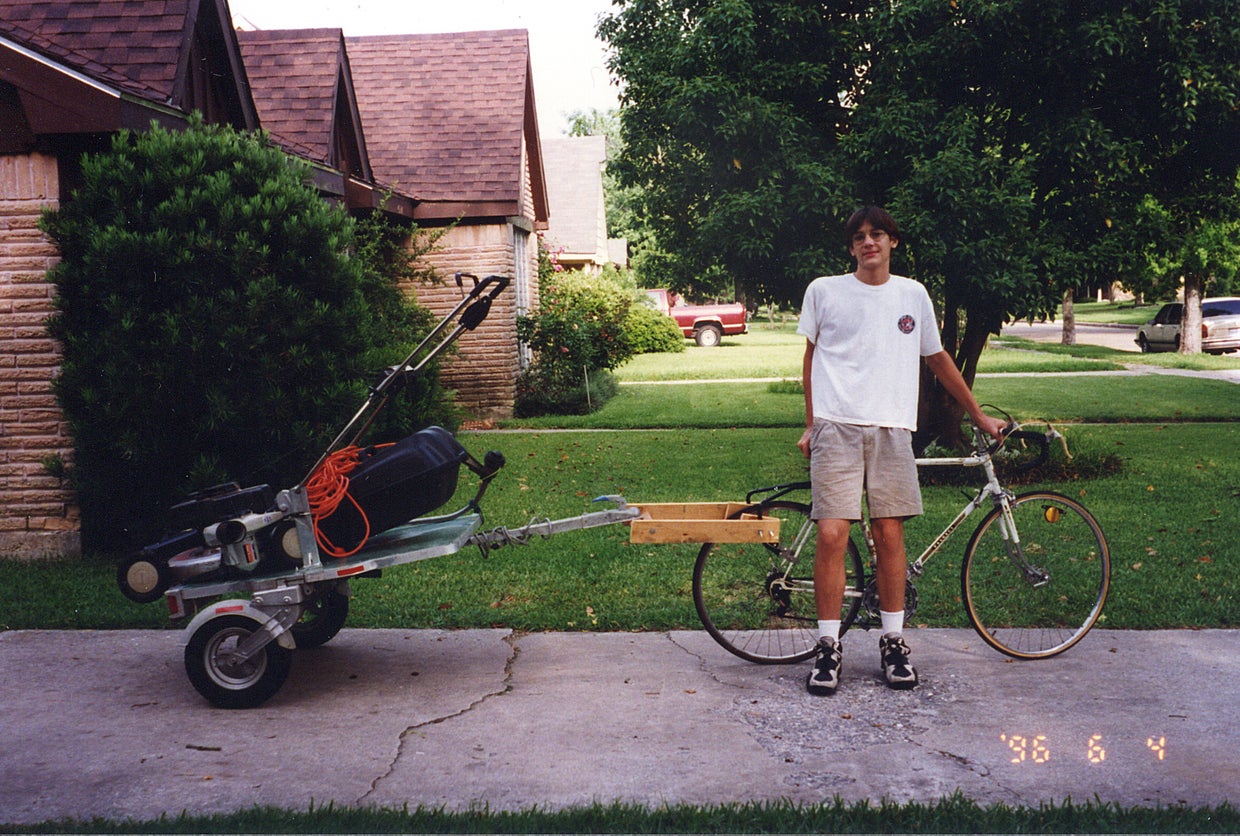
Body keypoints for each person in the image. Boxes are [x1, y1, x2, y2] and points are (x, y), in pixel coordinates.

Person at [796, 206, 1006, 695]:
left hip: (893, 429)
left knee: (890, 534)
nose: (869, 242)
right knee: (832, 534)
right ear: (851, 248)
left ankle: (893, 643)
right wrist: (811, 424)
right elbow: (808, 361)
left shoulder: (913, 295)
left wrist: (978, 415)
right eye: (860, 237)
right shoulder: (824, 291)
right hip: (837, 425)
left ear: (893, 242)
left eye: (878, 235)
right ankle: (828, 648)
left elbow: (938, 359)